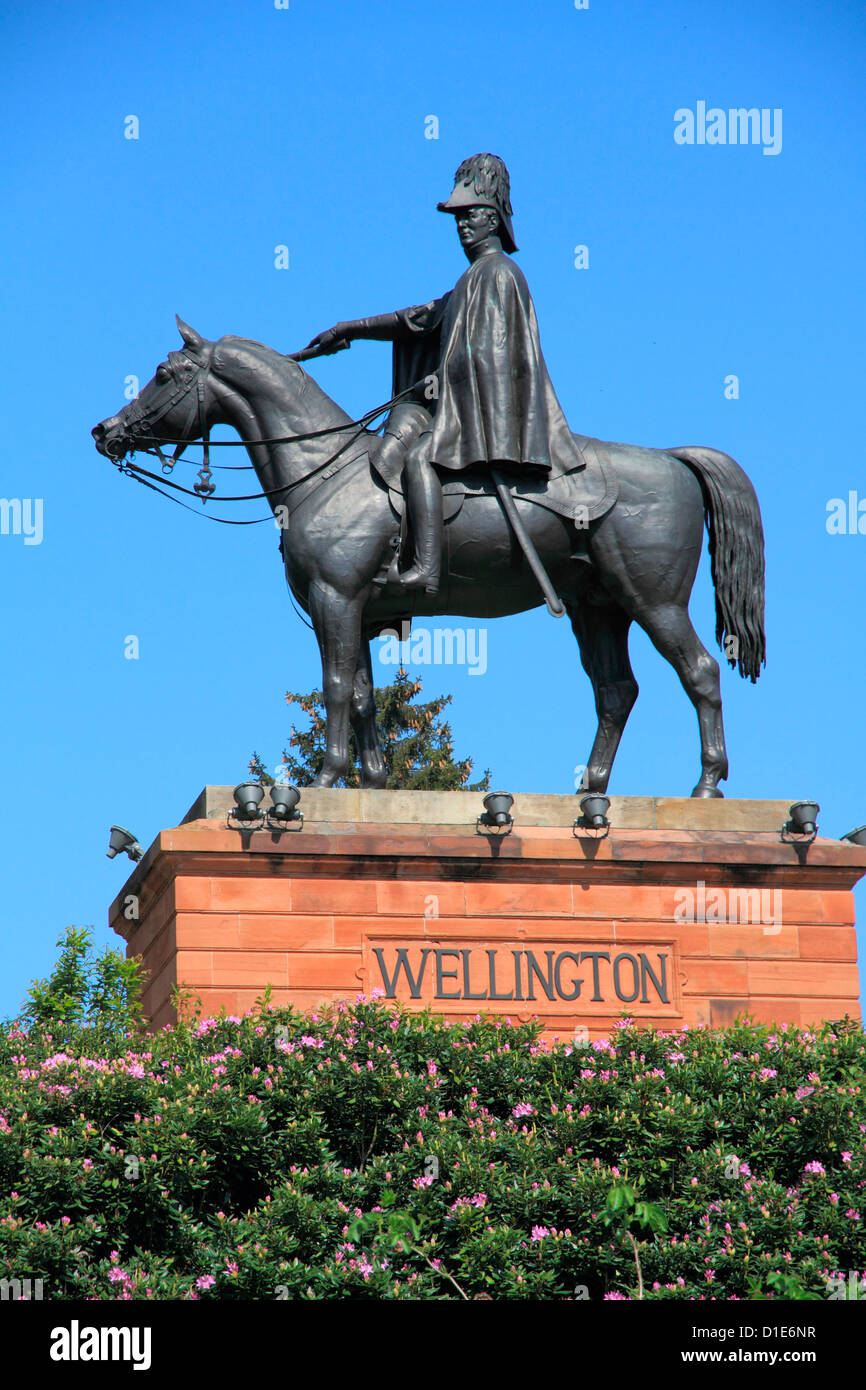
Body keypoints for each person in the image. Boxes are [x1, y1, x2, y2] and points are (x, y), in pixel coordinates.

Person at [299, 153, 586, 595]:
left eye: (470, 216)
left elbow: (490, 356)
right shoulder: (469, 281)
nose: (461, 226)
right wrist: (349, 330)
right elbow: (418, 318)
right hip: (462, 405)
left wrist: (442, 382)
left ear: (493, 220)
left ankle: (426, 570)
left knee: (419, 459)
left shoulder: (500, 274)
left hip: (486, 416)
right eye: (458, 219)